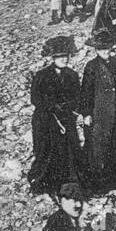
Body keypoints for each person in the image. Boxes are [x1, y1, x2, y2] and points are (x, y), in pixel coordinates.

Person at [26, 35, 83, 196]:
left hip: (66, 119)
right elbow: (35, 98)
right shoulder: (42, 76)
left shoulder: (72, 75)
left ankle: (65, 183)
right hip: (45, 120)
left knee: (67, 151)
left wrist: (70, 107)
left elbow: (77, 96)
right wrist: (52, 107)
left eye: (66, 56)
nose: (64, 59)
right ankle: (39, 182)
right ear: (53, 58)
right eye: (60, 57)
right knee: (45, 151)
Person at [79, 32, 116, 192]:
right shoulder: (92, 67)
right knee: (98, 145)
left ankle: (115, 179)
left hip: (115, 110)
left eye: (108, 48)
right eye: (102, 49)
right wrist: (86, 113)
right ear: (97, 50)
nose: (106, 51)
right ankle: (99, 182)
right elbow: (86, 92)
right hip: (99, 112)